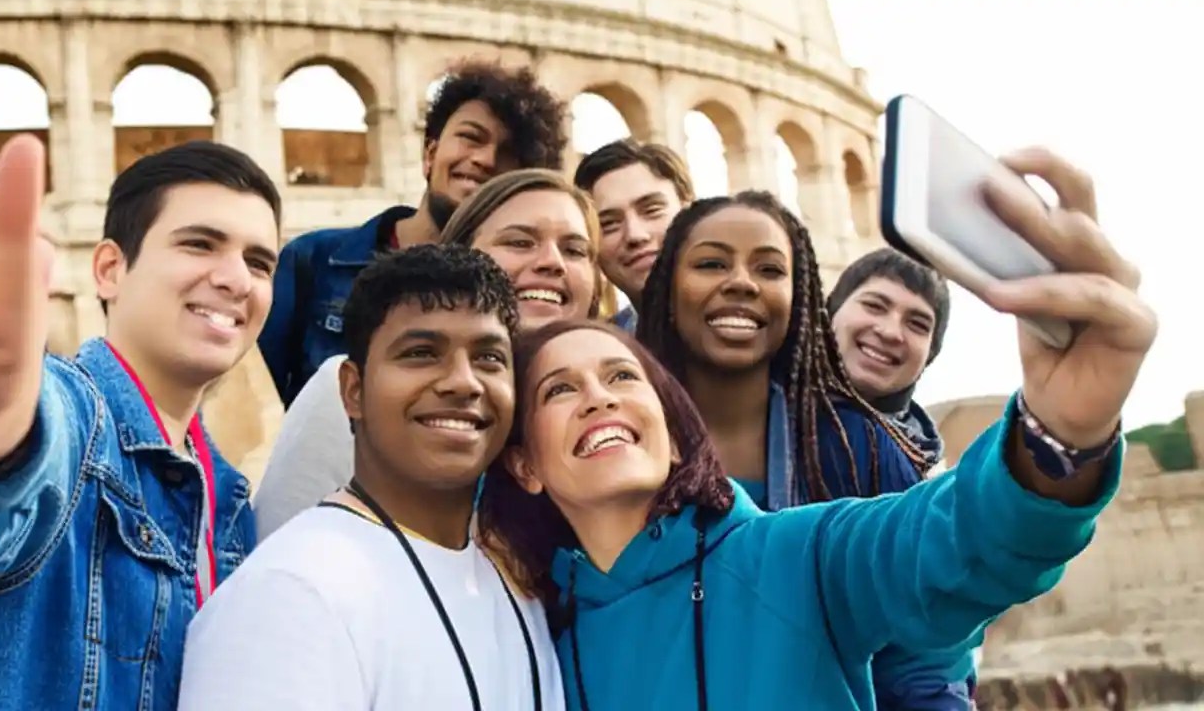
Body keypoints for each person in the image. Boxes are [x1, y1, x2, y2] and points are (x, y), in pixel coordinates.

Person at [477, 145, 1152, 707]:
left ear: (672, 424)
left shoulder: (801, 557)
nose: (600, 397)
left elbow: (964, 538)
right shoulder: (534, 637)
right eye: (560, 389)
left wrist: (1059, 428)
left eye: (624, 377)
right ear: (524, 464)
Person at [0, 136, 281, 708]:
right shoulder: (69, 416)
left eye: (259, 262)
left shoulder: (230, 499)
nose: (237, 279)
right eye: (199, 244)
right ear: (111, 269)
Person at [179, 245, 565, 710]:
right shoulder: (290, 594)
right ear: (353, 391)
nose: (463, 382)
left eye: (488, 358)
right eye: (422, 353)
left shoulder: (515, 577)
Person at [634, 189, 976, 707]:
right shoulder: (613, 433)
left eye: (770, 270)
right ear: (666, 289)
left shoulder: (865, 451)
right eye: (710, 263)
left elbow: (928, 651)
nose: (741, 283)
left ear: (801, 300)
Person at [252, 168, 601, 539]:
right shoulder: (354, 396)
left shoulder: (601, 410)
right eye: (519, 242)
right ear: (461, 258)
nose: (553, 261)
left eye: (575, 250)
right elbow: (277, 553)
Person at [258, 59, 569, 406]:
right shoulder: (313, 261)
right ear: (430, 154)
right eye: (471, 137)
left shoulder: (521, 291)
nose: (485, 159)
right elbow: (252, 406)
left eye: (509, 153)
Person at [828, 248, 951, 470]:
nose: (890, 332)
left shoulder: (929, 482)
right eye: (874, 306)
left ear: (930, 355)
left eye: (917, 324)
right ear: (831, 312)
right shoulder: (755, 415)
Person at [573, 138, 695, 331]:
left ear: (690, 211)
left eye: (651, 210)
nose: (635, 235)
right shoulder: (602, 348)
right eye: (609, 223)